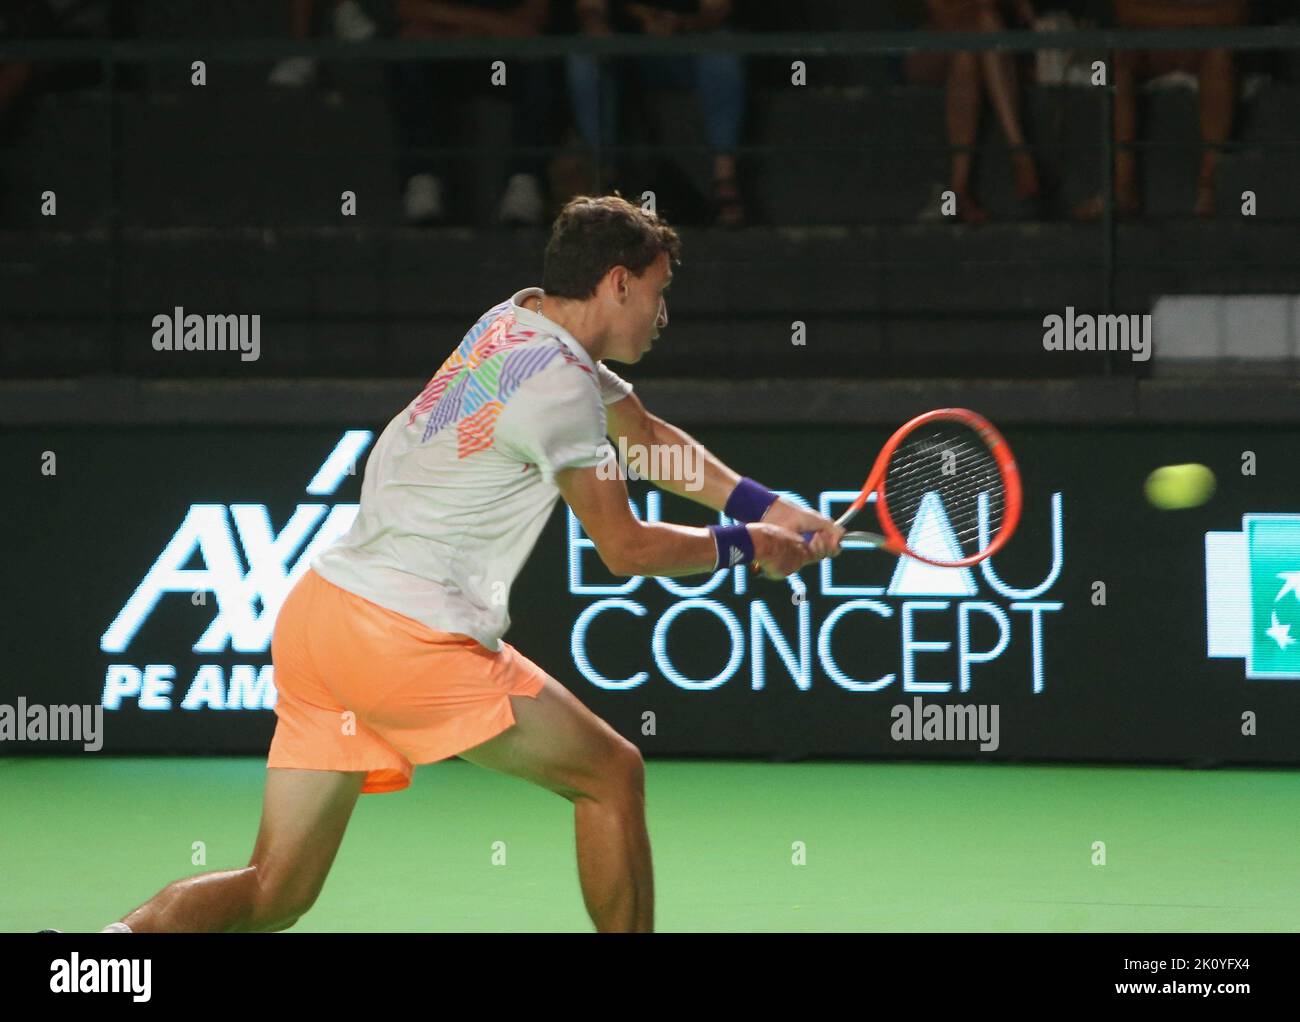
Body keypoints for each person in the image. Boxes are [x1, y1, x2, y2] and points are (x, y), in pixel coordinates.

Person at [92, 194, 844, 935]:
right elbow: (626, 548)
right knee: (612, 776)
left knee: (274, 893)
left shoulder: (511, 321)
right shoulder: (562, 391)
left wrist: (764, 505)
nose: (663, 314)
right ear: (618, 283)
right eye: (658, 292)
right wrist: (749, 546)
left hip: (320, 619)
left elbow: (642, 436)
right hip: (404, 638)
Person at [568, 0, 748, 226]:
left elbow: (717, 8)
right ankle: (603, 178)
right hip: (623, 51)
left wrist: (677, 22)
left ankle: (724, 179)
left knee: (722, 46)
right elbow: (589, 8)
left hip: (683, 48)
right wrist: (599, 27)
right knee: (584, 56)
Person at [1074, 0, 1252, 219]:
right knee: (1117, 58)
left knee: (1221, 53)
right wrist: (1195, 23)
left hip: (1204, 46)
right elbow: (1125, 11)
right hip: (1155, 45)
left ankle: (1210, 184)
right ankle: (1122, 187)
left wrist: (1180, 26)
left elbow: (1235, 14)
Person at [390, 0, 557, 225]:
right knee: (408, 57)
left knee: (538, 59)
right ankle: (422, 179)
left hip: (502, 60)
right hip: (446, 52)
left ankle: (524, 181)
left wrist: (460, 25)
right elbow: (408, 8)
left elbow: (534, 18)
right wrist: (483, 25)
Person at [905, 0, 1043, 223]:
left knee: (967, 55)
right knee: (984, 22)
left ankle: (959, 188)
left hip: (979, 48)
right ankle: (1020, 152)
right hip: (930, 47)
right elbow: (941, 11)